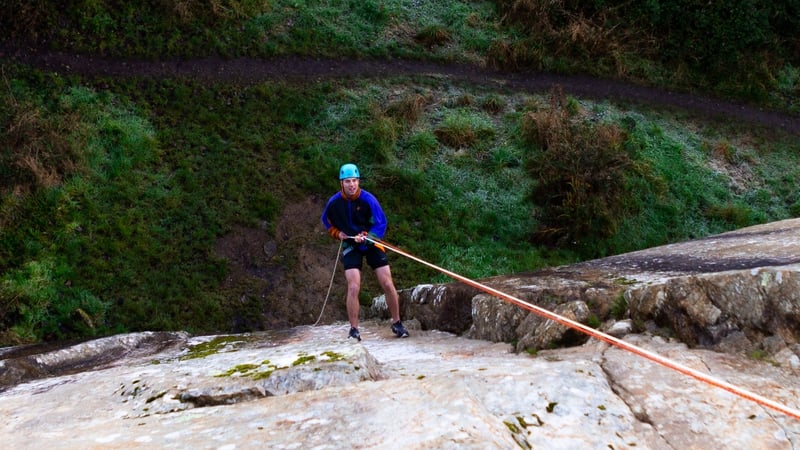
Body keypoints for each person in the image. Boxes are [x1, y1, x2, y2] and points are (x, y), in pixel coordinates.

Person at [321, 163, 409, 341]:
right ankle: (354, 329)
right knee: (353, 286)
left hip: (370, 242)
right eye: (347, 181)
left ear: (358, 181)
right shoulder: (334, 203)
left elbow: (380, 223)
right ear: (341, 183)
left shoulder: (369, 200)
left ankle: (397, 322)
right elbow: (326, 221)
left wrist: (369, 236)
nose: (351, 184)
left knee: (386, 282)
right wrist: (338, 234)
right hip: (350, 244)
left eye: (354, 180)